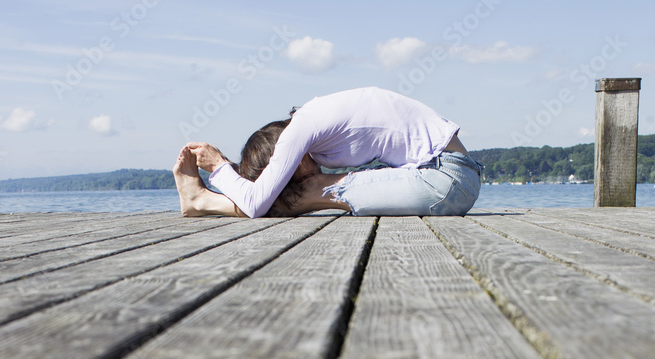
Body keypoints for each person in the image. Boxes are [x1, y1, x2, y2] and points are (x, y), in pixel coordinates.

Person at [173, 86, 484, 219]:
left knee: (310, 189)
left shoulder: (299, 129)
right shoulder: (314, 117)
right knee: (318, 185)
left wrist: (219, 167)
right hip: (443, 175)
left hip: (446, 180)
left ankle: (203, 200)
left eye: (280, 175)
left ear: (277, 154)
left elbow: (256, 206)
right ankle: (200, 201)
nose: (288, 178)